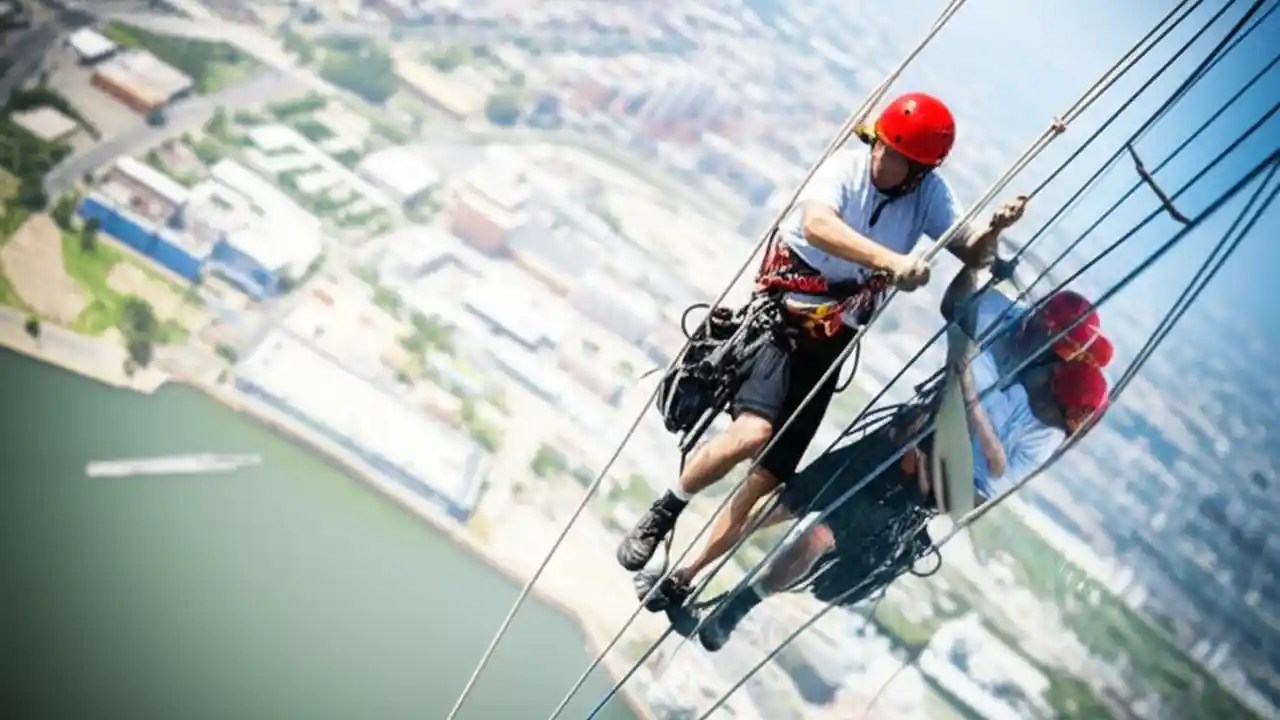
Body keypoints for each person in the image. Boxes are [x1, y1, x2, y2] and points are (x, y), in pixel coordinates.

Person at [617, 91, 1030, 602]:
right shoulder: (846, 170)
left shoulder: (928, 193)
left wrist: (994, 230)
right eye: (888, 152)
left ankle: (683, 577)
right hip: (784, 323)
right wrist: (890, 262)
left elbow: (972, 252)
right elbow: (817, 224)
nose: (889, 163)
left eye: (902, 160)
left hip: (831, 343)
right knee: (752, 433)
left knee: (765, 481)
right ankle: (667, 509)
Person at [689, 268, 1113, 652]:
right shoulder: (1004, 320)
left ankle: (738, 606)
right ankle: (690, 571)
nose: (1037, 340)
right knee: (788, 500)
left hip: (910, 489)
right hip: (898, 441)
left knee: (818, 538)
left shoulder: (1041, 425)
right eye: (1039, 329)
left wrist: (933, 470)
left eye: (1049, 341)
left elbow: (978, 490)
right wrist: (975, 269)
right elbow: (956, 304)